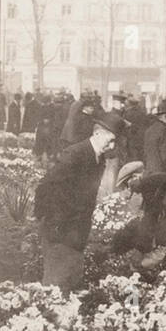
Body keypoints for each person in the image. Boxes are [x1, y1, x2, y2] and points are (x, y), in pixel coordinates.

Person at [33, 111, 128, 290]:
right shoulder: (75, 154)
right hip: (60, 231)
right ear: (98, 134)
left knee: (72, 279)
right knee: (56, 285)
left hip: (76, 231)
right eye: (111, 141)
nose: (112, 146)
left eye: (115, 142)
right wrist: (55, 223)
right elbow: (46, 187)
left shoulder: (97, 158)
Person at [142, 100, 166, 176]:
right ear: (165, 116)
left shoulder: (150, 129)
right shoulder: (164, 130)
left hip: (149, 169)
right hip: (161, 171)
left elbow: (145, 152)